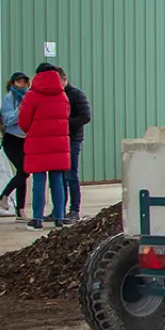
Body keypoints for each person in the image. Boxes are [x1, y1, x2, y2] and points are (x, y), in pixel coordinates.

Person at [17, 64, 72, 229]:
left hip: (38, 144)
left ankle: (37, 219)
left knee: (39, 182)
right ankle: (59, 217)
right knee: (57, 181)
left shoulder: (32, 96)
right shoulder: (63, 95)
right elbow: (66, 115)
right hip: (58, 145)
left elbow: (23, 123)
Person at [0, 71, 30, 219]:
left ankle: (20, 209)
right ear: (12, 83)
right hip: (12, 139)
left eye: (24, 82)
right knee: (24, 171)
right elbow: (8, 119)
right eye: (19, 82)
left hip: (25, 139)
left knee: (22, 173)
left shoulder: (29, 97)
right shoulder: (9, 98)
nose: (22, 85)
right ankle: (4, 195)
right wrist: (20, 111)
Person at [60, 68, 92, 223]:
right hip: (60, 139)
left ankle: (74, 210)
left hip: (73, 139)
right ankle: (59, 209)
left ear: (64, 78)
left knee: (71, 175)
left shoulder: (76, 94)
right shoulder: (56, 95)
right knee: (59, 177)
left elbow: (86, 116)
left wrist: (65, 124)